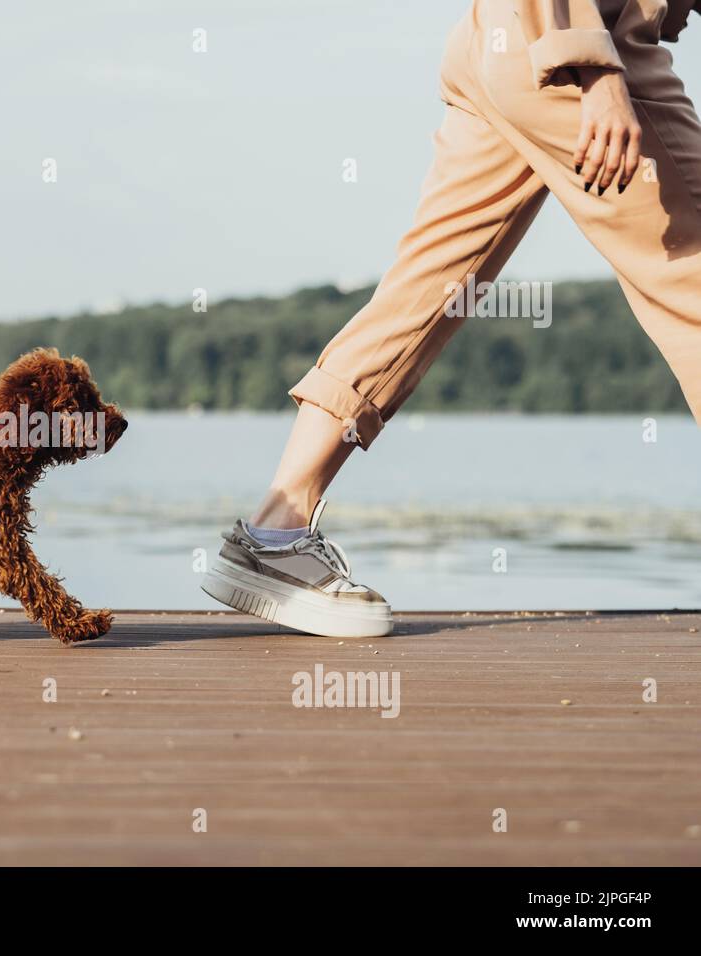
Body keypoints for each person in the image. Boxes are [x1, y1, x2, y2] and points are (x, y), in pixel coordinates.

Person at [201, 0, 701, 638]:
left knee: (424, 291)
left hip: (502, 37)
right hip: (580, 43)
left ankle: (275, 534)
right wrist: (597, 71)